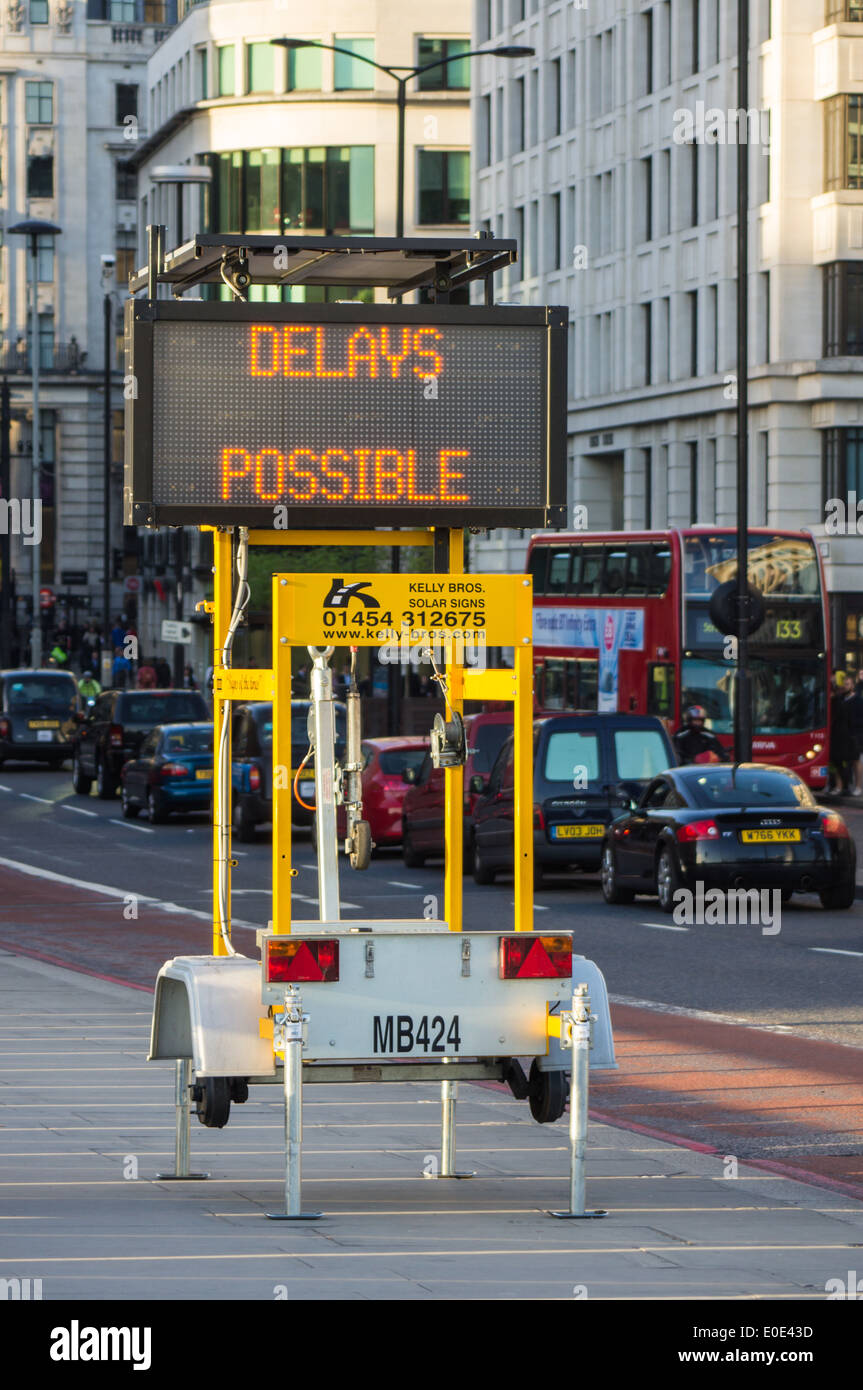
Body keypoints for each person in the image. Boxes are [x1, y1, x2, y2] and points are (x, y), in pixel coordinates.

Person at [829, 675, 856, 794]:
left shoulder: (854, 700)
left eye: (847, 684)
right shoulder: (839, 698)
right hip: (837, 735)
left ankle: (844, 786)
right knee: (835, 762)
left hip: (848, 737)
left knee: (845, 764)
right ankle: (838, 785)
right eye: (844, 684)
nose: (845, 687)